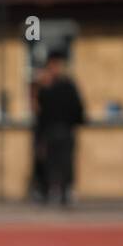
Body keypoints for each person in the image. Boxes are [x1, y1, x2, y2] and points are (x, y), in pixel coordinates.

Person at [34, 51, 84, 205]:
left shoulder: (68, 85)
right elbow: (39, 111)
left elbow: (78, 108)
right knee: (50, 162)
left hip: (65, 129)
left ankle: (66, 189)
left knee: (66, 162)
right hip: (49, 130)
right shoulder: (44, 87)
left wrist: (75, 123)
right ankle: (52, 190)